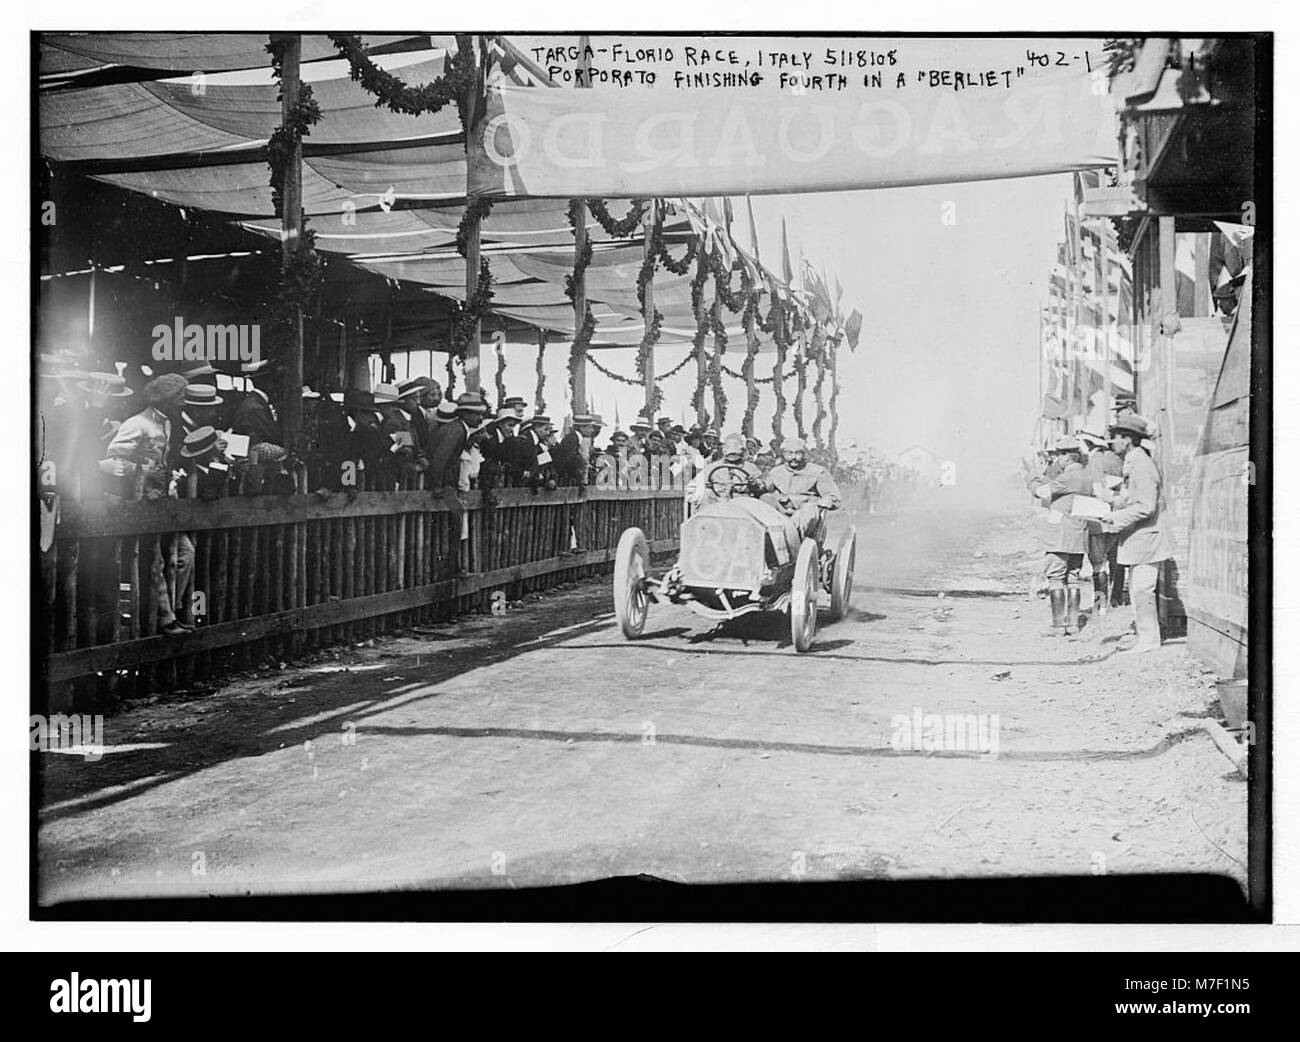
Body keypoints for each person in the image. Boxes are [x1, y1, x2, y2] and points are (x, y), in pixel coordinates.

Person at [104, 374, 193, 637]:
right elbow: (112, 461)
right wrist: (144, 470)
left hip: (163, 502)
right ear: (165, 401)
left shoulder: (168, 423)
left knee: (184, 555)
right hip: (140, 501)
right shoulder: (137, 424)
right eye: (180, 398)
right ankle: (164, 619)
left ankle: (171, 612)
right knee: (153, 559)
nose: (183, 402)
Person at [1099, 414, 1173, 653]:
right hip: (1139, 539)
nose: (1112, 443)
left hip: (1146, 538)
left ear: (1129, 439)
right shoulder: (1133, 461)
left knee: (1142, 591)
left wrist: (1114, 517)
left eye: (1116, 438)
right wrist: (1110, 501)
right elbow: (1132, 499)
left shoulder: (1140, 464)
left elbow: (1146, 506)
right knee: (1138, 590)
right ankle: (1145, 636)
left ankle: (1149, 641)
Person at [1026, 435, 1093, 636]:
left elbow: (1041, 492)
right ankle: (1073, 624)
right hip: (1078, 534)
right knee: (1073, 578)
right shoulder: (1085, 476)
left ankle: (1057, 626)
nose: (1057, 460)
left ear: (1066, 457)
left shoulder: (1066, 477)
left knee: (1056, 578)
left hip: (1060, 535)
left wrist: (1032, 477)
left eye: (1059, 456)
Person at [759, 435, 841, 545]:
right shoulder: (776, 472)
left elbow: (833, 497)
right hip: (780, 514)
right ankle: (767, 541)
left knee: (809, 509)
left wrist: (821, 502)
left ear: (804, 454)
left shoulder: (817, 472)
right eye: (789, 453)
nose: (793, 457)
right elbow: (763, 489)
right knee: (765, 498)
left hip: (804, 516)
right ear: (784, 454)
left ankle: (792, 544)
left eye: (798, 453)